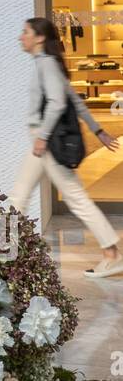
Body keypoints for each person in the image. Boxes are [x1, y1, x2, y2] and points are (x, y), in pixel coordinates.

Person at [10, 17, 123, 278]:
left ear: (39, 37)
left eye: (25, 32)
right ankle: (7, 253)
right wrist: (99, 131)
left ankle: (112, 254)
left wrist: (42, 136)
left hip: (45, 142)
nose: (20, 37)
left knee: (74, 198)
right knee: (19, 195)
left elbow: (58, 103)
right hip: (42, 141)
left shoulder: (46, 65)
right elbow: (77, 102)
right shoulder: (49, 64)